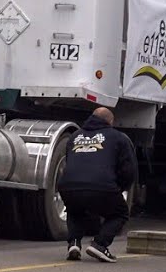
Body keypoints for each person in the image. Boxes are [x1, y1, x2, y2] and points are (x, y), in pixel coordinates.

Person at [57, 106, 137, 263]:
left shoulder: (74, 136)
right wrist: (119, 188)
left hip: (69, 186)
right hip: (102, 187)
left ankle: (73, 244)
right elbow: (129, 170)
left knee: (75, 210)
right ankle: (99, 244)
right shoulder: (119, 138)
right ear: (110, 121)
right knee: (120, 213)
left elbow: (70, 162)